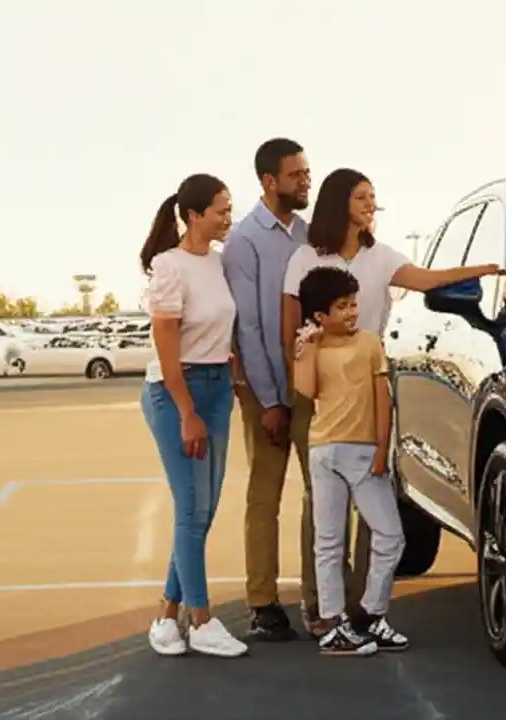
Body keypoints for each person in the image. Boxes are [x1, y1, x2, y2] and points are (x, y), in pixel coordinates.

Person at [279, 167, 503, 616]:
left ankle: (364, 606)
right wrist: (303, 382)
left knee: (372, 495)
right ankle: (320, 605)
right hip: (322, 394)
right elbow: (290, 330)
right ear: (339, 202)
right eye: (361, 196)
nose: (370, 204)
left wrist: (488, 269)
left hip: (370, 387)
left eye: (372, 197)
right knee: (322, 503)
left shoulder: (380, 257)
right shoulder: (304, 258)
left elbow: (428, 279)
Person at [140, 173, 246, 658]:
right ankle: (200, 620)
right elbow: (167, 351)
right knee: (190, 508)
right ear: (193, 215)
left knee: (204, 510)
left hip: (218, 388)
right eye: (221, 210)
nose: (228, 217)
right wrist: (187, 412)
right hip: (175, 391)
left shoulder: (219, 264)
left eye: (229, 208)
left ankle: (167, 613)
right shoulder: (169, 266)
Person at [222, 137, 322, 641]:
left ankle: (320, 599)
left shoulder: (309, 235)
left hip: (311, 389)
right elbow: (248, 327)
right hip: (266, 392)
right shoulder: (243, 241)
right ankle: (262, 603)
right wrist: (269, 400)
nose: (306, 180)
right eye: (296, 174)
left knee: (322, 493)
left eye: (306, 172)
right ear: (269, 181)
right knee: (265, 496)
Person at [294, 266, 407, 656]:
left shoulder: (370, 344)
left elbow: (383, 400)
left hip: (364, 452)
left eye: (353, 304)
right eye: (341, 306)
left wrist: (382, 450)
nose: (351, 312)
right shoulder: (310, 347)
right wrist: (307, 349)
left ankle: (372, 614)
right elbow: (306, 390)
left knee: (390, 536)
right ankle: (333, 625)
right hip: (324, 451)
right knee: (328, 542)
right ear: (319, 315)